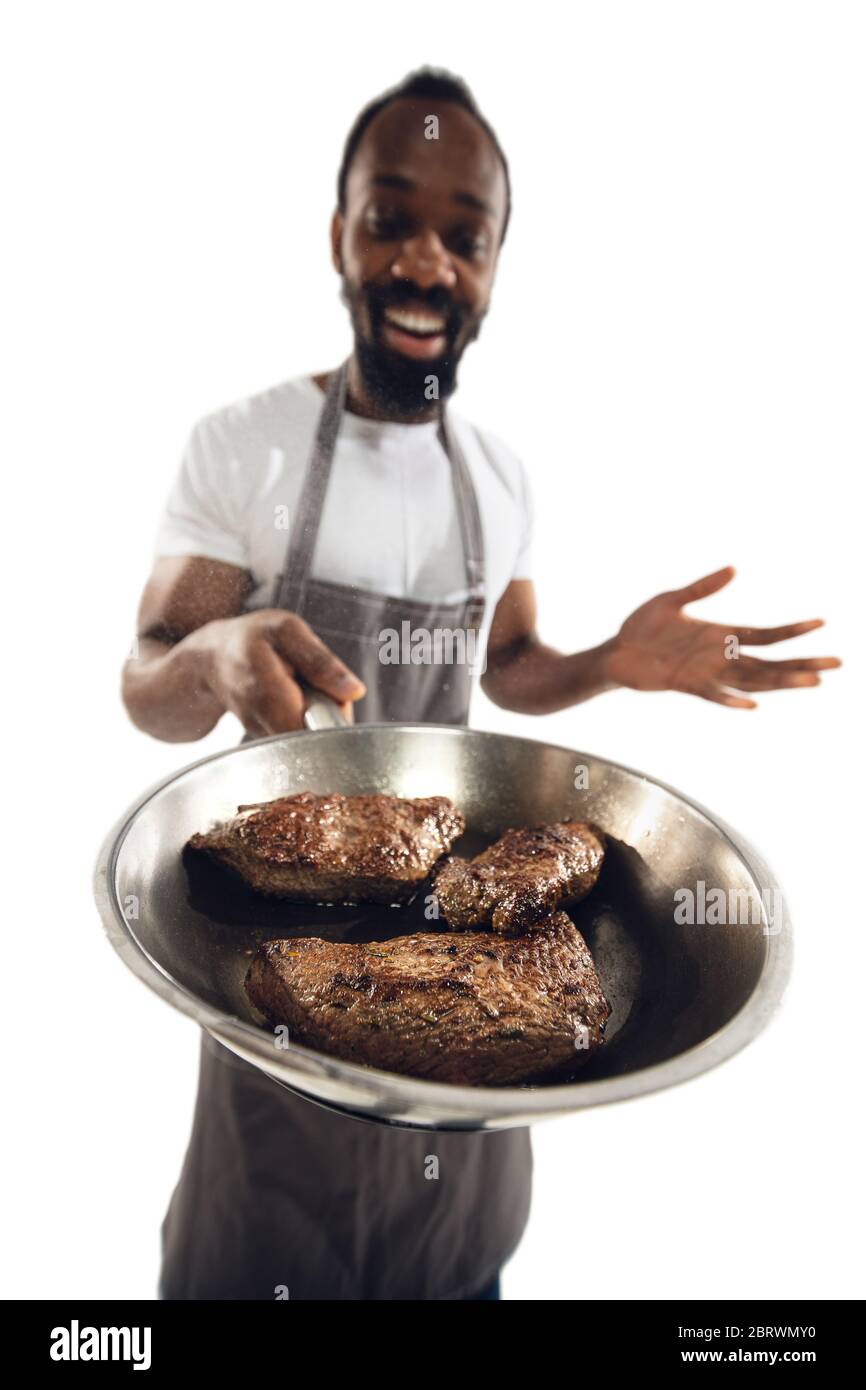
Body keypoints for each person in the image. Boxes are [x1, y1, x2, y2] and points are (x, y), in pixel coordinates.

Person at [121, 68, 840, 1301]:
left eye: (465, 237)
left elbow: (505, 666)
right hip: (290, 958)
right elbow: (146, 682)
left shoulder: (496, 481)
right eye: (389, 218)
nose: (425, 263)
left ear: (494, 266)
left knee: (453, 1267)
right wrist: (212, 655)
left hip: (470, 957)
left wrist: (605, 664)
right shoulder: (243, 448)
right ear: (337, 235)